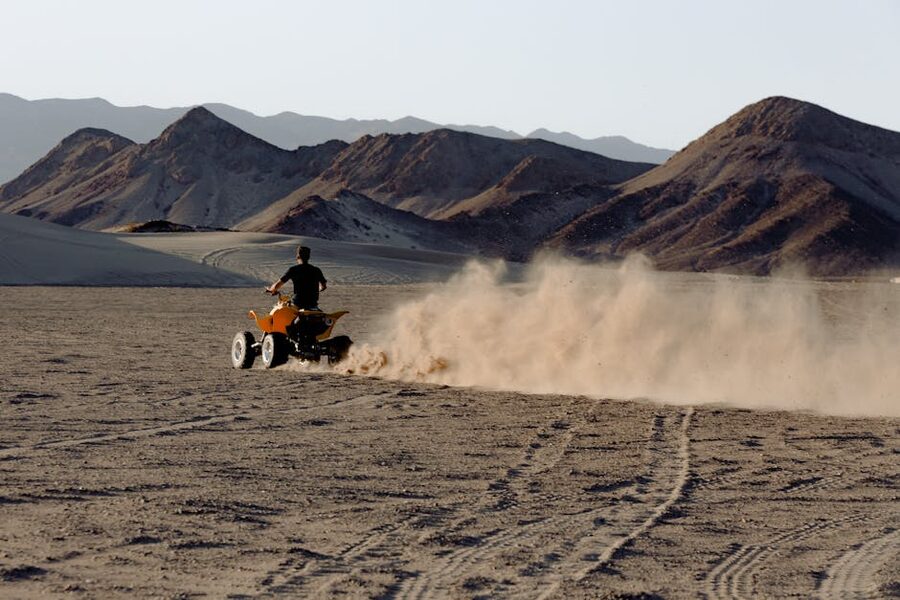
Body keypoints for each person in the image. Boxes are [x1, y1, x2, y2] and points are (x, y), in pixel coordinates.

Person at [266, 246, 327, 310]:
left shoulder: (293, 270)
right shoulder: (316, 270)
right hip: (313, 304)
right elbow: (323, 286)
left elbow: (276, 286)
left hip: (297, 304)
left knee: (278, 309)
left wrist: (271, 289)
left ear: (297, 256)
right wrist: (318, 289)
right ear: (308, 257)